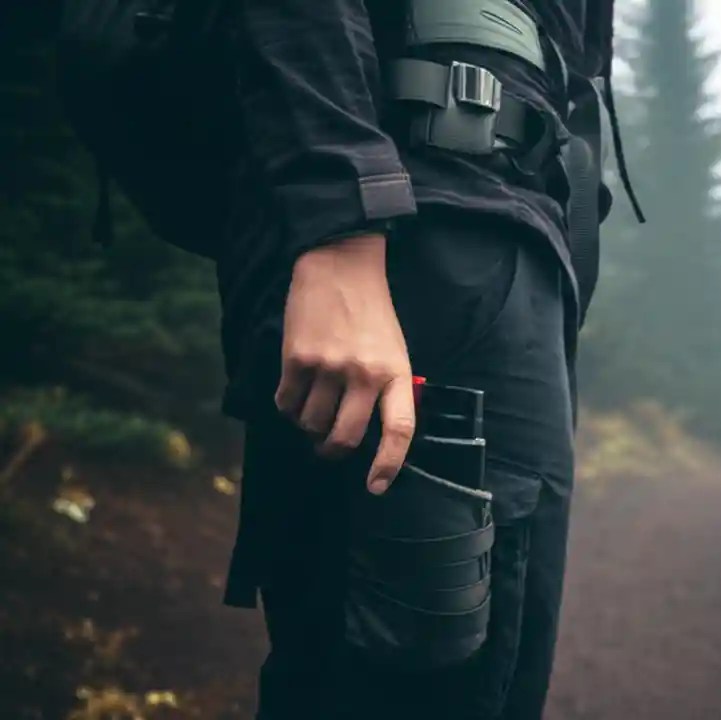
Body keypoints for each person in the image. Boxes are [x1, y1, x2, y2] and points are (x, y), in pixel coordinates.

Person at [211, 1, 637, 717]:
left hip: (496, 242)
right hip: (417, 236)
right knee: (413, 684)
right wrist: (341, 222)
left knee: (482, 682)